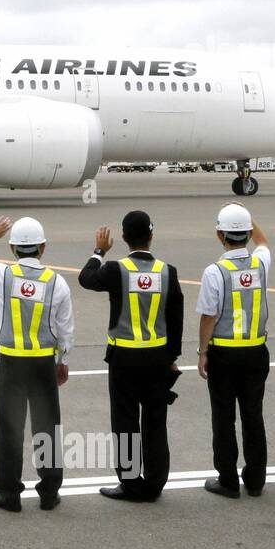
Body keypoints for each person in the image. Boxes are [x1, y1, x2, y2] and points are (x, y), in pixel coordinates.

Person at [79, 210, 184, 503]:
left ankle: (130, 484)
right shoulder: (167, 271)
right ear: (152, 235)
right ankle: (156, 483)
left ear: (123, 238)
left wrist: (99, 251)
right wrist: (172, 355)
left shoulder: (116, 270)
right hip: (157, 359)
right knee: (155, 421)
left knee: (125, 421)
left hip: (124, 359)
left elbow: (85, 279)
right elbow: (176, 317)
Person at [0, 216, 73, 512]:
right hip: (43, 363)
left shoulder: (3, 275)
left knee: (9, 428)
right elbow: (66, 328)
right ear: (43, 247)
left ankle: (9, 494)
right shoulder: (57, 282)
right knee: (47, 428)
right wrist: (63, 360)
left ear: (14, 249)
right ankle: (49, 492)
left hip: (11, 362)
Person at [196, 203, 271, 498]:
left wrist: (203, 352)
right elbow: (263, 243)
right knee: (254, 415)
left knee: (224, 417)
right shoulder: (261, 263)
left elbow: (208, 316)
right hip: (256, 350)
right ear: (248, 232)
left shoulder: (215, 271)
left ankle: (227, 480)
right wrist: (248, 215)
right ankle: (255, 480)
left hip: (225, 353)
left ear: (219, 235)